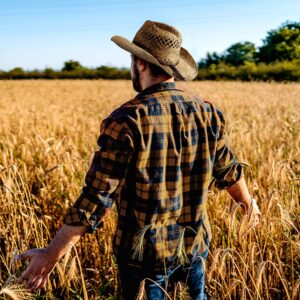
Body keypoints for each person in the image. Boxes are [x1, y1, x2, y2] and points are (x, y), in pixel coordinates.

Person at [15, 20, 262, 299]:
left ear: (141, 64)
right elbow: (229, 170)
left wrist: (51, 254)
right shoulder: (207, 113)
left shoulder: (126, 120)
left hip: (143, 258)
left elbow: (96, 199)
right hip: (194, 248)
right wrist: (248, 205)